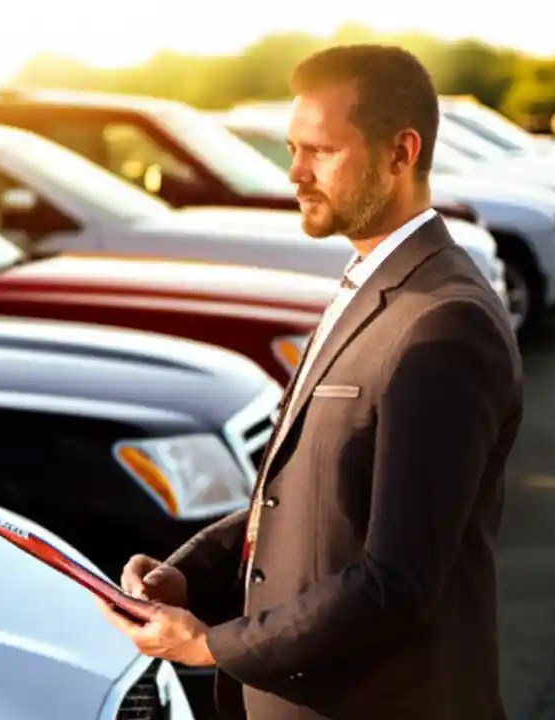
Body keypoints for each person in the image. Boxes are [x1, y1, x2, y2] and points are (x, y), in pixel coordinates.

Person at [94, 44, 523, 719]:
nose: (294, 173)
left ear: (401, 152)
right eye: (293, 149)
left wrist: (210, 647)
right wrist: (191, 574)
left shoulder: (443, 323)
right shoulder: (373, 281)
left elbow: (394, 581)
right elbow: (313, 498)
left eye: (320, 151)